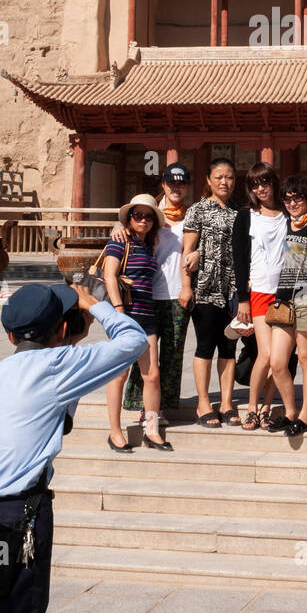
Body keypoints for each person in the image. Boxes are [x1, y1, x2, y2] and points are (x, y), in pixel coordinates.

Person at [0, 282, 147, 613]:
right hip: (21, 518)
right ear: (61, 331)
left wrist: (71, 333)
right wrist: (94, 304)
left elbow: (57, 413)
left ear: (10, 335)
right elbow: (133, 340)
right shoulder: (57, 367)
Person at [119, 163, 193, 423]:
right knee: (145, 354)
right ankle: (142, 405)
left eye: (181, 183)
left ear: (187, 187)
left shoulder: (192, 217)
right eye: (171, 182)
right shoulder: (149, 214)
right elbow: (126, 230)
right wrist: (116, 229)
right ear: (163, 184)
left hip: (177, 294)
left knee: (173, 353)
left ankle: (162, 406)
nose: (176, 187)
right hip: (147, 294)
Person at [104, 193, 170, 451]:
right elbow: (110, 276)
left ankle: (151, 430)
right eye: (137, 215)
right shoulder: (119, 241)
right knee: (119, 375)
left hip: (147, 315)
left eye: (148, 216)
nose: (143, 219)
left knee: (151, 375)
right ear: (129, 218)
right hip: (126, 314)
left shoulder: (147, 245)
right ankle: (115, 431)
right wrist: (119, 311)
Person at [179, 158, 240, 427]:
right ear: (208, 180)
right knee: (206, 345)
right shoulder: (198, 210)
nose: (224, 182)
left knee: (229, 346)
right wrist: (185, 286)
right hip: (205, 288)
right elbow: (187, 251)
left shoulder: (241, 211)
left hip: (233, 289)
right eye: (219, 177)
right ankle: (203, 402)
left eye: (229, 177)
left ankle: (226, 402)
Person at [266, 173, 307, 437]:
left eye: (297, 197)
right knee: (277, 361)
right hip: (282, 298)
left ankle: (305, 415)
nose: (291, 203)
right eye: (287, 198)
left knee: (305, 358)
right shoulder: (282, 223)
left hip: (305, 297)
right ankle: (289, 410)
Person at [232, 162, 286, 430]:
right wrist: (243, 298)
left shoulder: (288, 213)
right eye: (255, 184)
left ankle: (267, 406)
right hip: (260, 292)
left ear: (274, 182)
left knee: (280, 357)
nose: (260, 188)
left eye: (265, 182)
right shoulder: (246, 216)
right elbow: (239, 259)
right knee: (264, 354)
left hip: (286, 292)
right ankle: (252, 407)